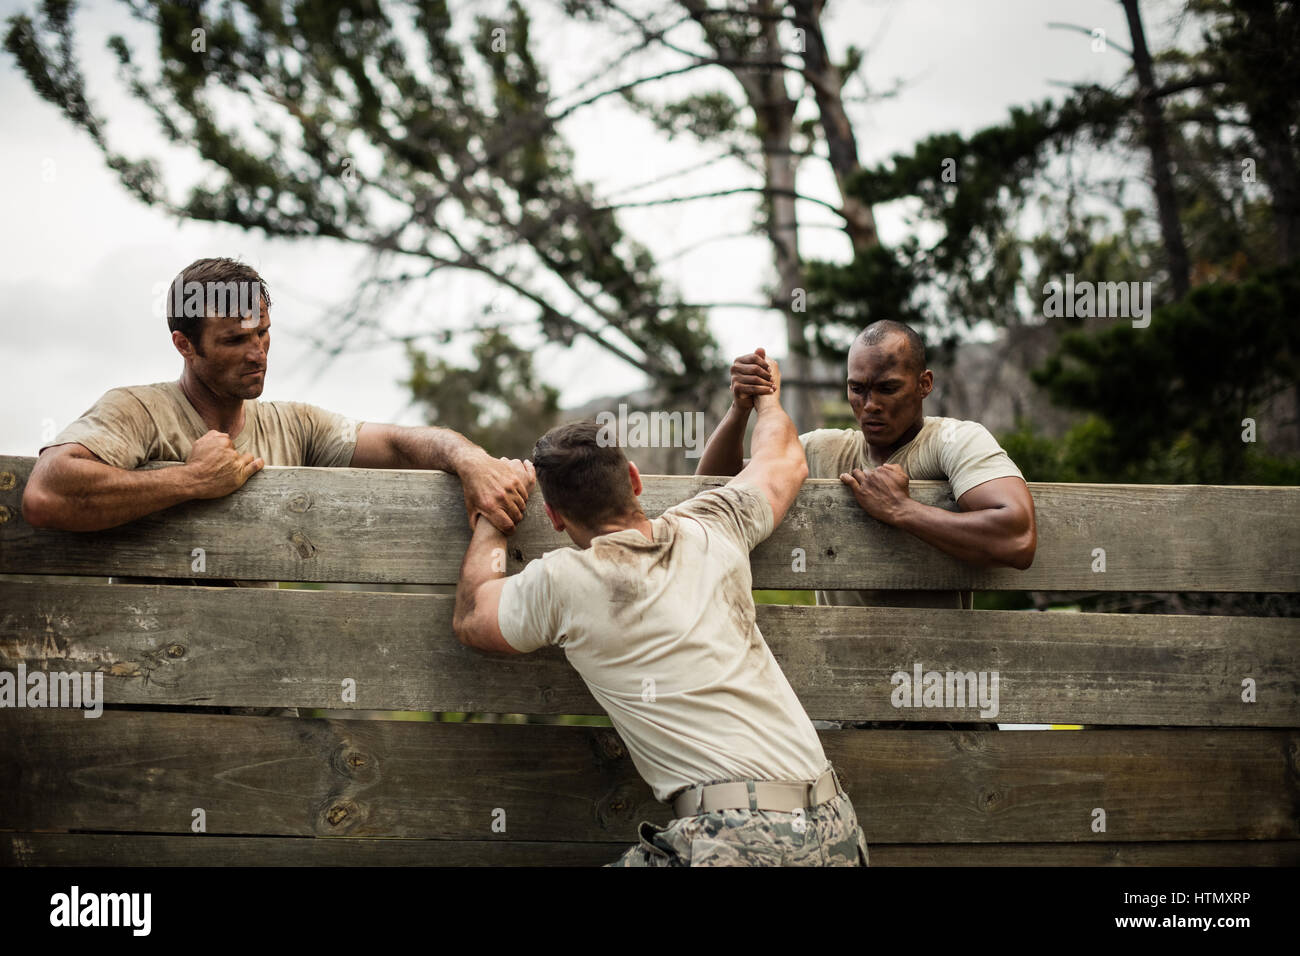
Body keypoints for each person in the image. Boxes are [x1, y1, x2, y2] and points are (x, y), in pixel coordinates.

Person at [451, 360, 869, 866]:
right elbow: (784, 457)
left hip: (734, 842)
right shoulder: (715, 524)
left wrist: (496, 516)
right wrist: (763, 398)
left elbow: (474, 613)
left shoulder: (563, 582)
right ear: (633, 479)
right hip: (836, 828)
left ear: (555, 518)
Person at [23, 257, 532, 547]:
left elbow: (399, 445)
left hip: (265, 679)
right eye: (234, 340)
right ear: (184, 344)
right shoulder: (136, 410)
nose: (257, 353)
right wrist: (191, 481)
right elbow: (45, 495)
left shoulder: (295, 425)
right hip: (152, 682)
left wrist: (471, 459)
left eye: (263, 333)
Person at [696, 323, 1037, 730]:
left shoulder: (954, 441)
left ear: (924, 384)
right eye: (857, 389)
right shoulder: (824, 450)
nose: (870, 404)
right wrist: (740, 409)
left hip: (944, 703)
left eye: (887, 389)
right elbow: (717, 490)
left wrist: (902, 510)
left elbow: (1017, 536)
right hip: (845, 701)